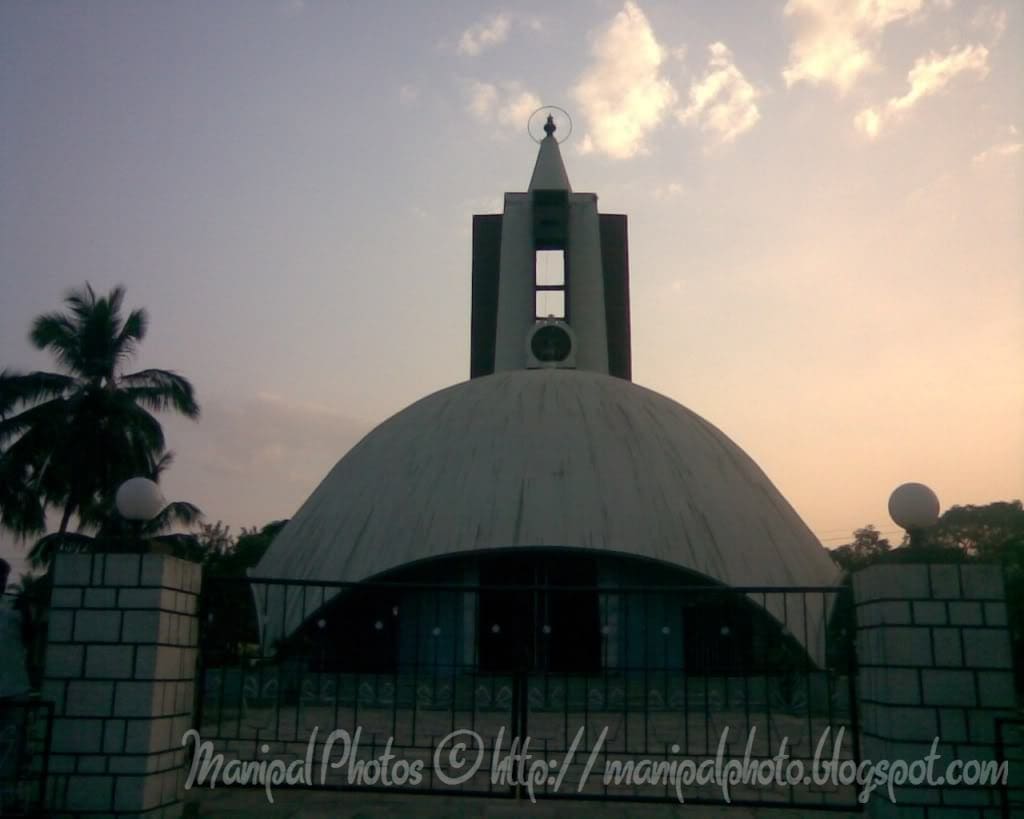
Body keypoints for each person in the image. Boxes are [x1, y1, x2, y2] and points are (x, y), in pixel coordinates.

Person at [0, 558, 32, 811]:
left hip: (13, 688)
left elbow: (29, 638)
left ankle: (8, 798)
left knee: (11, 751)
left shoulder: (14, 608)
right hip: (14, 687)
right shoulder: (14, 609)